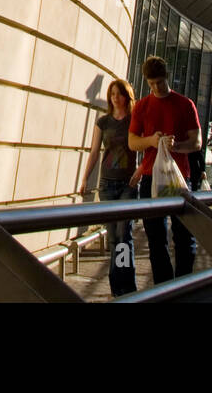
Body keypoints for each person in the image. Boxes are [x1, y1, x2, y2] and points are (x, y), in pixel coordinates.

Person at [128, 56, 202, 283]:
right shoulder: (142, 106)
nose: (156, 88)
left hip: (179, 177)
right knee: (155, 237)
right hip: (151, 177)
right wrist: (151, 140)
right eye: (151, 84)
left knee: (184, 236)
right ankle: (164, 287)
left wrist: (177, 146)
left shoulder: (184, 104)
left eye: (159, 82)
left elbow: (197, 142)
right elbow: (132, 142)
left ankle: (183, 284)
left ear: (166, 77)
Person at [79, 79, 140, 296]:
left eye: (119, 93)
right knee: (114, 237)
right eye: (112, 93)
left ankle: (127, 285)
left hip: (127, 185)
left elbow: (145, 148)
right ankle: (117, 287)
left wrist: (139, 171)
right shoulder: (102, 122)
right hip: (106, 184)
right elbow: (95, 152)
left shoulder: (134, 120)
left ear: (127, 96)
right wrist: (85, 178)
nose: (115, 97)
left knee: (124, 236)